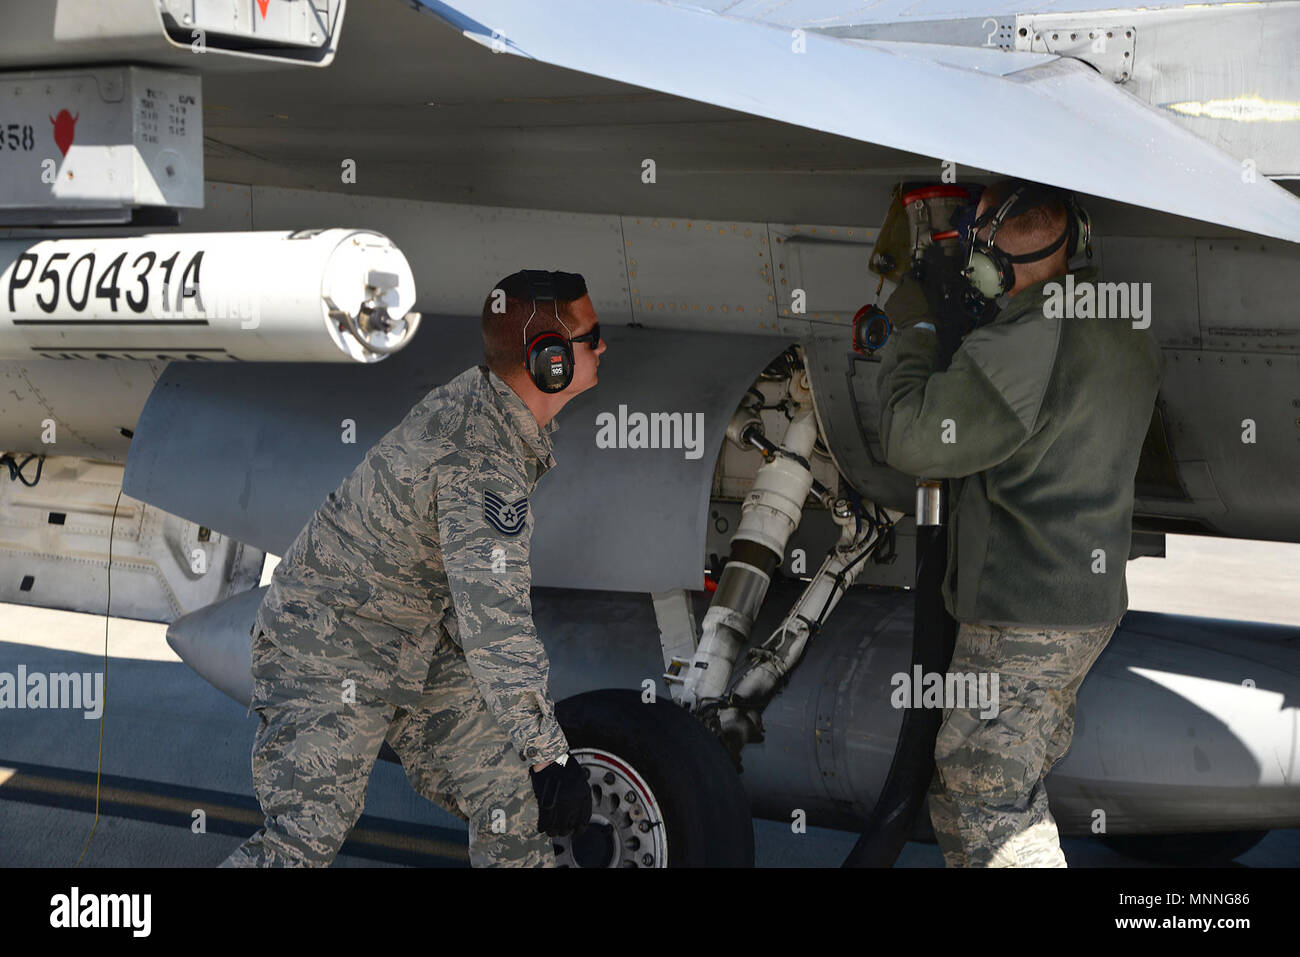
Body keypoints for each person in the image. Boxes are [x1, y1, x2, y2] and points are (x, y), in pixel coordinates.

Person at [222, 269, 604, 867]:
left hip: (414, 639)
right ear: (550, 360)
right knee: (304, 839)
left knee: (511, 799)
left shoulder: (493, 408)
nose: (604, 347)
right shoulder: (482, 458)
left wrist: (533, 761)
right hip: (329, 640)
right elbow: (495, 623)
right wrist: (550, 754)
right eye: (592, 336)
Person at [876, 180, 1164, 867]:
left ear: (995, 267)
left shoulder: (1027, 342)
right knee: (993, 780)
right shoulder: (1120, 319)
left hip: (1023, 617)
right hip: (1083, 604)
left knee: (984, 797)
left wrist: (914, 326)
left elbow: (911, 436)